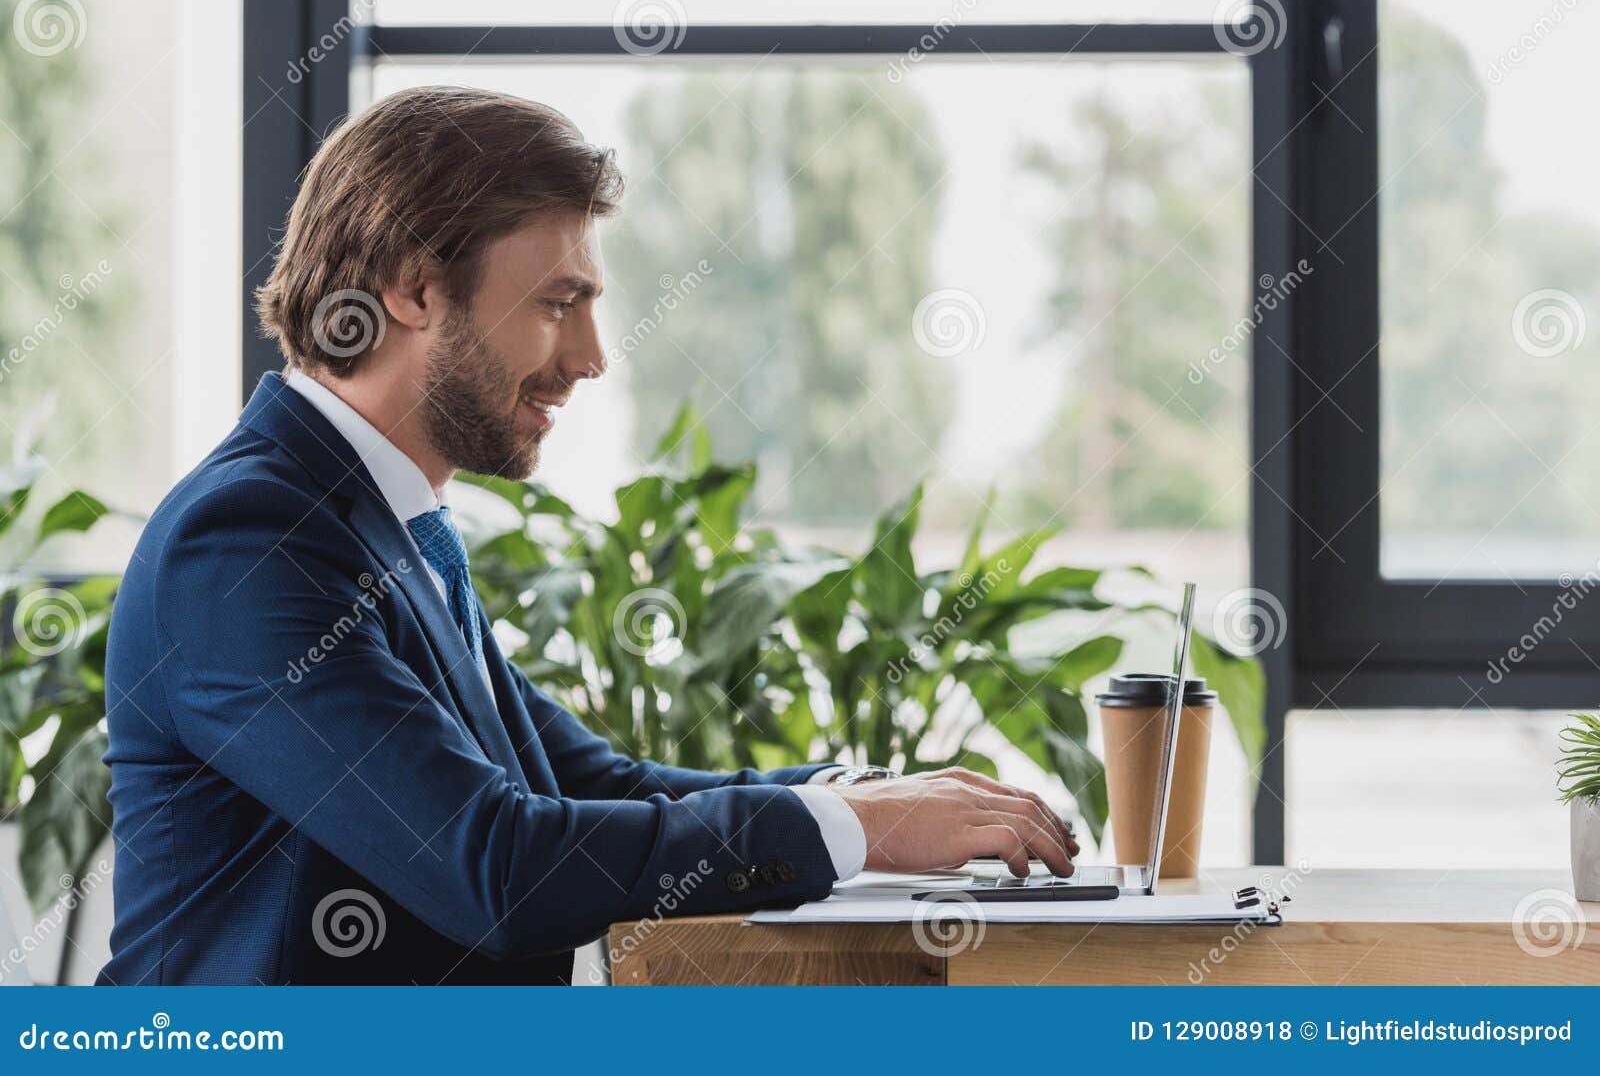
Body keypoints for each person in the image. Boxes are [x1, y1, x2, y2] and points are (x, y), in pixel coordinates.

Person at [99, 86, 1077, 985]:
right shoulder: (246, 543)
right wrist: (850, 829)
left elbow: (591, 783)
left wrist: (863, 799)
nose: (592, 358)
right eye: (558, 305)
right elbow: (495, 867)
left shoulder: (383, 522)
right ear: (413, 288)